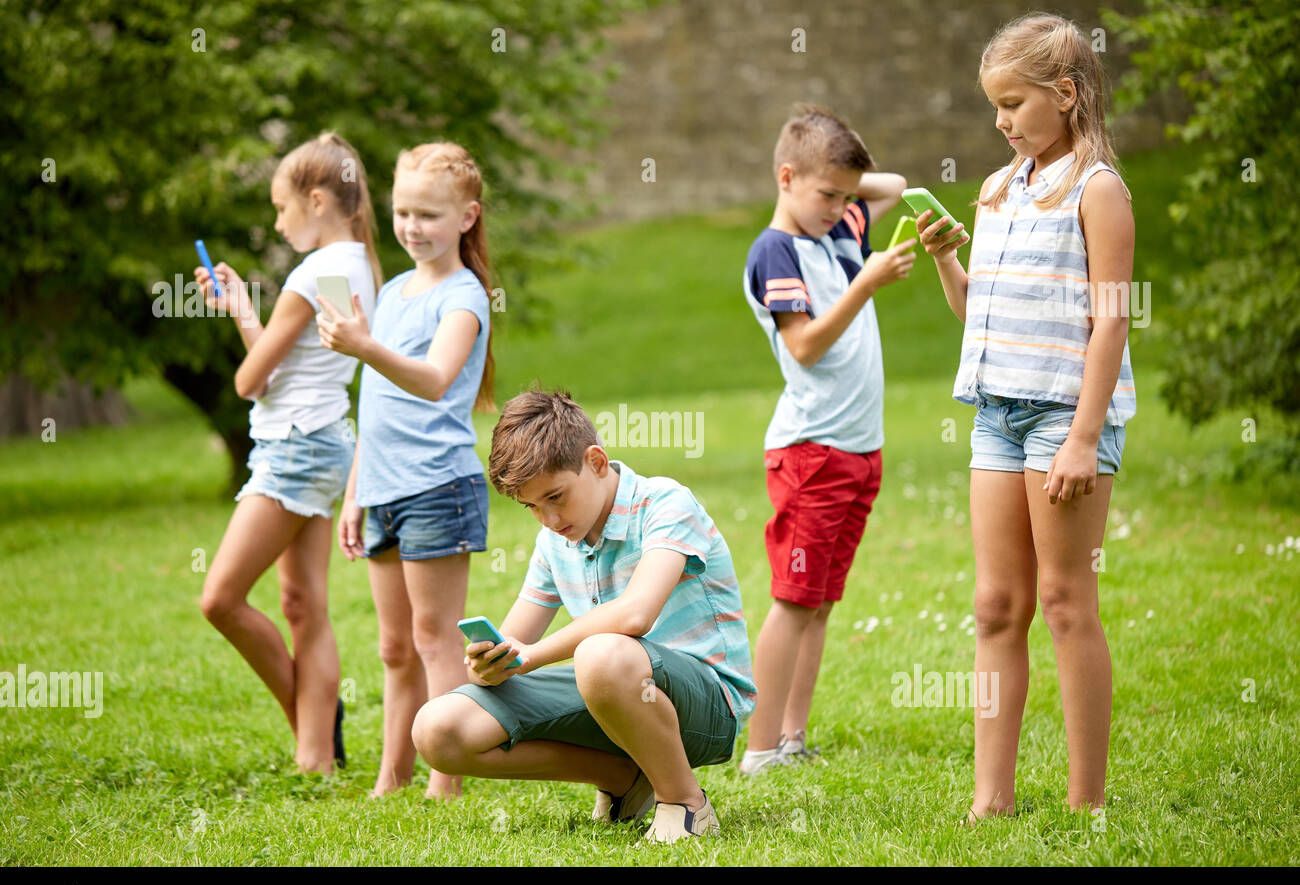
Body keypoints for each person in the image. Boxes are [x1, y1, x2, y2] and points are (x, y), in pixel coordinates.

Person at [916, 13, 1136, 820]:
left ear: (1067, 95)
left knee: (1066, 601)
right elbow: (978, 312)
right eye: (995, 107)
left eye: (1013, 103)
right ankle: (990, 801)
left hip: (1064, 417)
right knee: (995, 605)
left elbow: (1111, 320)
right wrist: (947, 255)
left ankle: (1087, 804)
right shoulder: (997, 189)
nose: (1001, 121)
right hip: (995, 413)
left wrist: (1083, 436)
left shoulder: (1098, 190)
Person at [408, 390, 756, 842]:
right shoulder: (556, 541)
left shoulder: (665, 503)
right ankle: (624, 781)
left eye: (556, 496)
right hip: (610, 693)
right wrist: (489, 666)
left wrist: (530, 657)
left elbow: (635, 614)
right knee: (439, 729)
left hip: (707, 706)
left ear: (595, 461)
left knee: (601, 654)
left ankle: (686, 805)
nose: (549, 519)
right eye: (532, 506)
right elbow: (515, 639)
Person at [737, 105, 915, 775]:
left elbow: (888, 184)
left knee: (821, 603)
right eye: (826, 195)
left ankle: (792, 738)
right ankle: (758, 748)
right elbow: (805, 345)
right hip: (811, 450)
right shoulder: (776, 251)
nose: (841, 207)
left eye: (845, 196)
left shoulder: (836, 226)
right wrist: (867, 283)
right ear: (785, 177)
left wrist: (838, 183)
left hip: (859, 449)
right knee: (792, 600)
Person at [198, 132, 382, 773]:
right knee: (303, 607)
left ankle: (314, 724)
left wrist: (248, 337)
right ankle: (316, 754)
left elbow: (251, 381)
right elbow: (284, 368)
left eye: (281, 209)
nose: (278, 223)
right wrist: (244, 309)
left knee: (220, 599)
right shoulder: (360, 262)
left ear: (316, 198)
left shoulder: (314, 272)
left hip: (294, 448)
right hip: (324, 440)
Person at [316, 142, 495, 799]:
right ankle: (392, 778)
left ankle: (446, 780)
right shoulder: (391, 293)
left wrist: (364, 345)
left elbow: (432, 380)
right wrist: (356, 495)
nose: (412, 227)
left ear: (467, 217)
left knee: (434, 639)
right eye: (402, 212)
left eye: (428, 214)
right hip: (385, 488)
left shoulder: (465, 296)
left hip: (437, 487)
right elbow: (378, 406)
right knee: (395, 648)